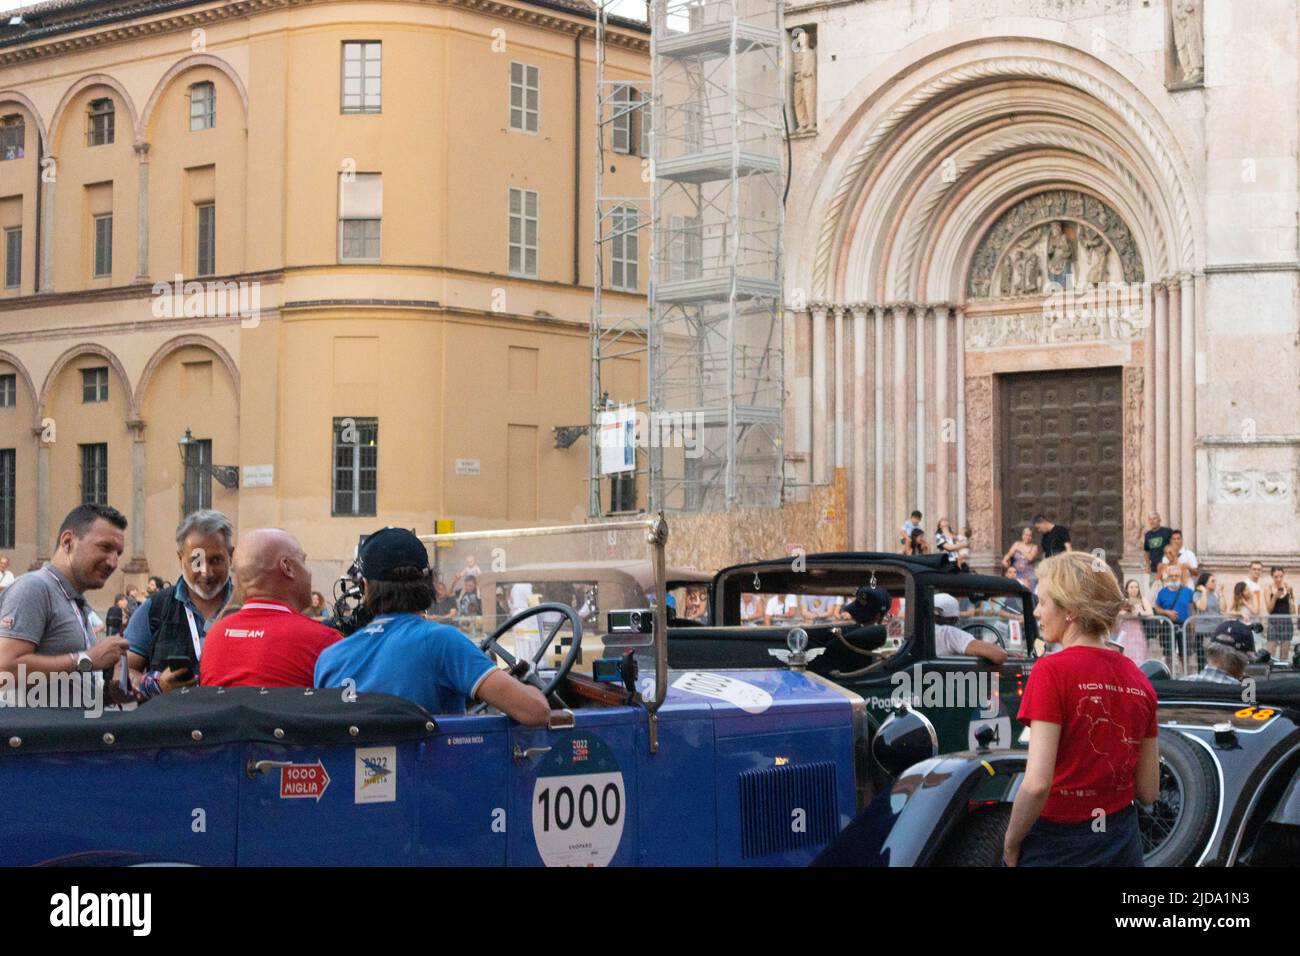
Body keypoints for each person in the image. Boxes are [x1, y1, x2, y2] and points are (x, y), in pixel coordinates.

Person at [1003, 551, 1159, 867]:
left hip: (1058, 845)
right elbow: (1148, 791)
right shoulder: (1139, 679)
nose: (1035, 612)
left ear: (1070, 610)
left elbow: (1036, 784)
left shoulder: (1051, 671)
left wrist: (1010, 843)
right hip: (1121, 842)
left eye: (1042, 602)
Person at [314, 526, 550, 724]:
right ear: (430, 582)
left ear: (363, 587)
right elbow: (535, 712)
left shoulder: (329, 659)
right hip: (434, 777)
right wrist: (531, 687)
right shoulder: (441, 641)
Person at [0, 504, 131, 683]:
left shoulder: (77, 600)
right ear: (68, 542)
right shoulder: (34, 588)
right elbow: (4, 670)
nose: (113, 562)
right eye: (105, 547)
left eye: (118, 553)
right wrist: (88, 660)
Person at [200, 529, 341, 688]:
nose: (309, 572)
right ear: (287, 567)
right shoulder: (324, 642)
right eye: (303, 561)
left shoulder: (213, 638)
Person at [124, 510, 236, 699]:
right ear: (180, 558)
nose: (206, 572)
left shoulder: (249, 608)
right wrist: (155, 685)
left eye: (216, 560)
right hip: (168, 726)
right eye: (195, 561)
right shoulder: (154, 609)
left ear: (231, 556)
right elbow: (123, 670)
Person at [933, 593, 1008, 664]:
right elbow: (999, 655)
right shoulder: (948, 633)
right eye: (956, 620)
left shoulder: (923, 630)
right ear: (952, 619)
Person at [1151, 566, 1195, 673]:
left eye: (1176, 576)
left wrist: (1193, 625)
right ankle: (1170, 676)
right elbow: (1156, 607)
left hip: (1185, 625)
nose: (1174, 578)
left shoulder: (1188, 591)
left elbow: (1192, 608)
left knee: (1185, 654)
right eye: (1171, 576)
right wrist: (1166, 612)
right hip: (1167, 625)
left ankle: (1187, 676)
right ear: (1167, 577)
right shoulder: (1162, 592)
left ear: (1180, 577)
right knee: (1168, 654)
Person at [1184, 620, 1255, 685]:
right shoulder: (1245, 694)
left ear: (1209, 652)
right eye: (1247, 661)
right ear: (1241, 661)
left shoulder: (1183, 683)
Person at [1117, 579, 1154, 664]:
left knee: (1139, 656)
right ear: (1127, 589)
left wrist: (1139, 613)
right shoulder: (1123, 601)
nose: (1134, 589)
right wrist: (1128, 613)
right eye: (1131, 587)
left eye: (1136, 587)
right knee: (1125, 655)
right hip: (1125, 632)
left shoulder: (1142, 599)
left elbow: (1150, 612)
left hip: (1137, 632)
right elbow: (1119, 613)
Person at [1264, 566, 1294, 661]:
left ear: (1283, 575)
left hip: (1287, 622)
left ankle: (1283, 674)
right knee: (1271, 653)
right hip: (1273, 623)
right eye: (1276, 576)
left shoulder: (1288, 587)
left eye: (1281, 576)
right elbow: (1269, 609)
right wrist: (1275, 596)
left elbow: (1293, 611)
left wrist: (1290, 595)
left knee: (1284, 654)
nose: (1278, 579)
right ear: (1272, 576)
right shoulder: (1268, 588)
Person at [1141, 513, 1173, 586]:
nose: (1152, 521)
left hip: (1167, 568)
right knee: (1154, 590)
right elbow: (1147, 551)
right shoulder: (1147, 535)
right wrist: (1147, 565)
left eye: (1154, 518)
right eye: (1150, 519)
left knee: (1168, 589)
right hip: (1154, 569)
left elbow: (1174, 546)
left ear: (1159, 520)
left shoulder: (1167, 531)